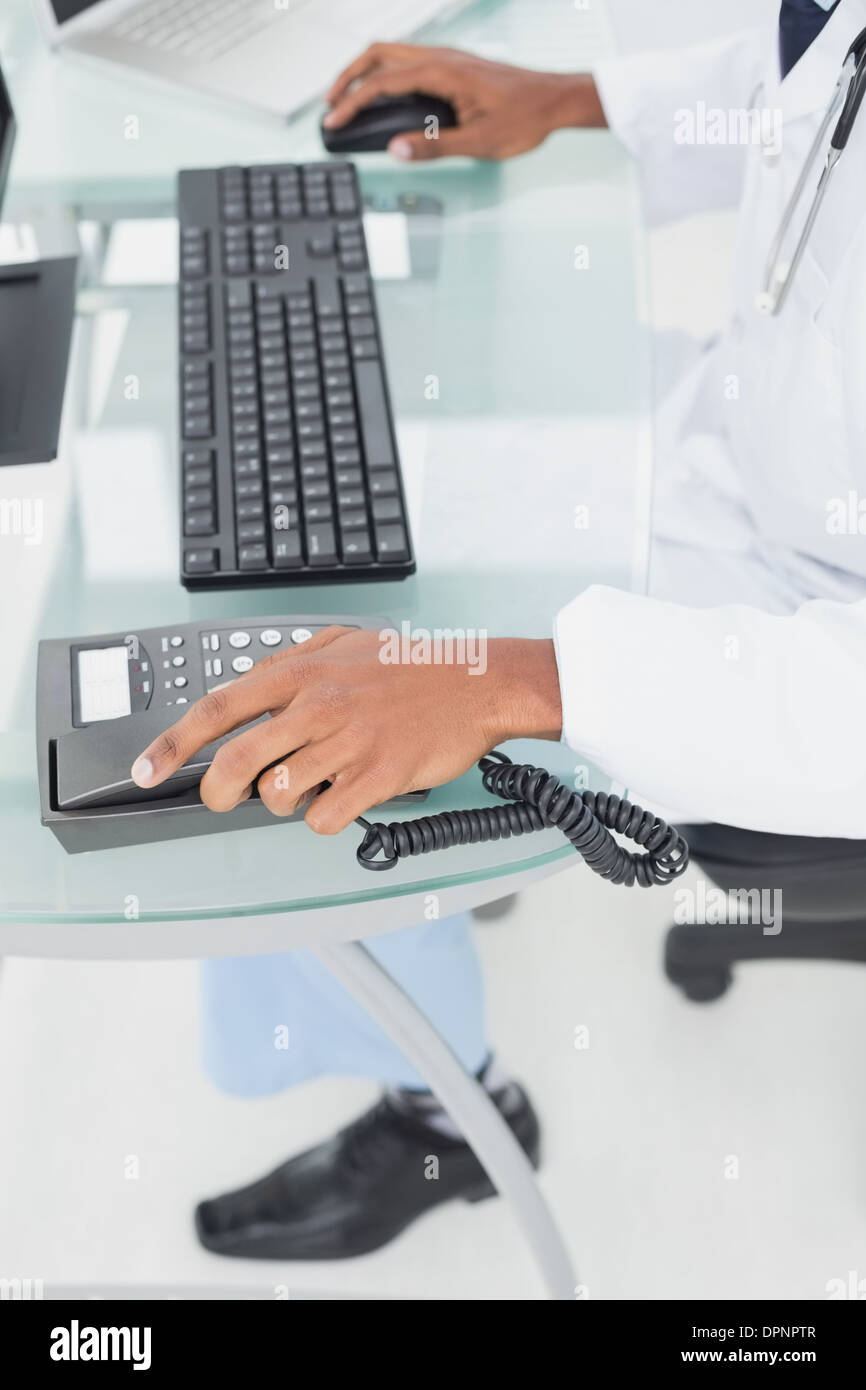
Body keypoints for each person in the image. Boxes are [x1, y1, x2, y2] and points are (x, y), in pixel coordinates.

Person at [134, 0, 866, 1259]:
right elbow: (811, 63)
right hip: (734, 443)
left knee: (304, 697)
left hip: (793, 635)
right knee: (311, 511)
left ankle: (449, 1118)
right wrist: (571, 95)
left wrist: (510, 680)